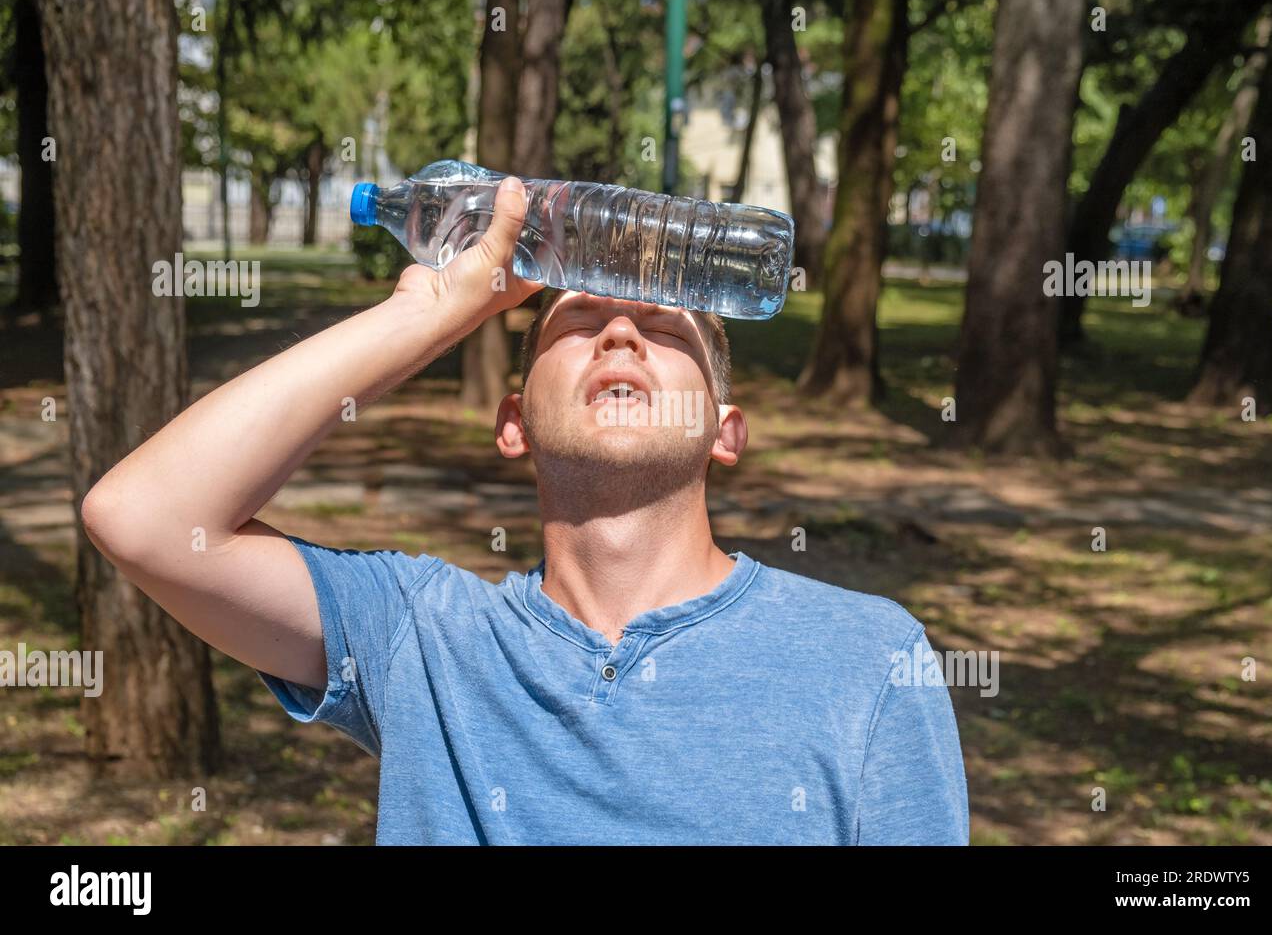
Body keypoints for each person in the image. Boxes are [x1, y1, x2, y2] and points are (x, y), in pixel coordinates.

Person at [82, 178, 968, 845]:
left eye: (664, 326)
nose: (620, 332)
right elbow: (142, 516)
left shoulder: (869, 658)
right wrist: (424, 315)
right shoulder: (421, 638)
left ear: (723, 433)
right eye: (578, 318)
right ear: (515, 424)